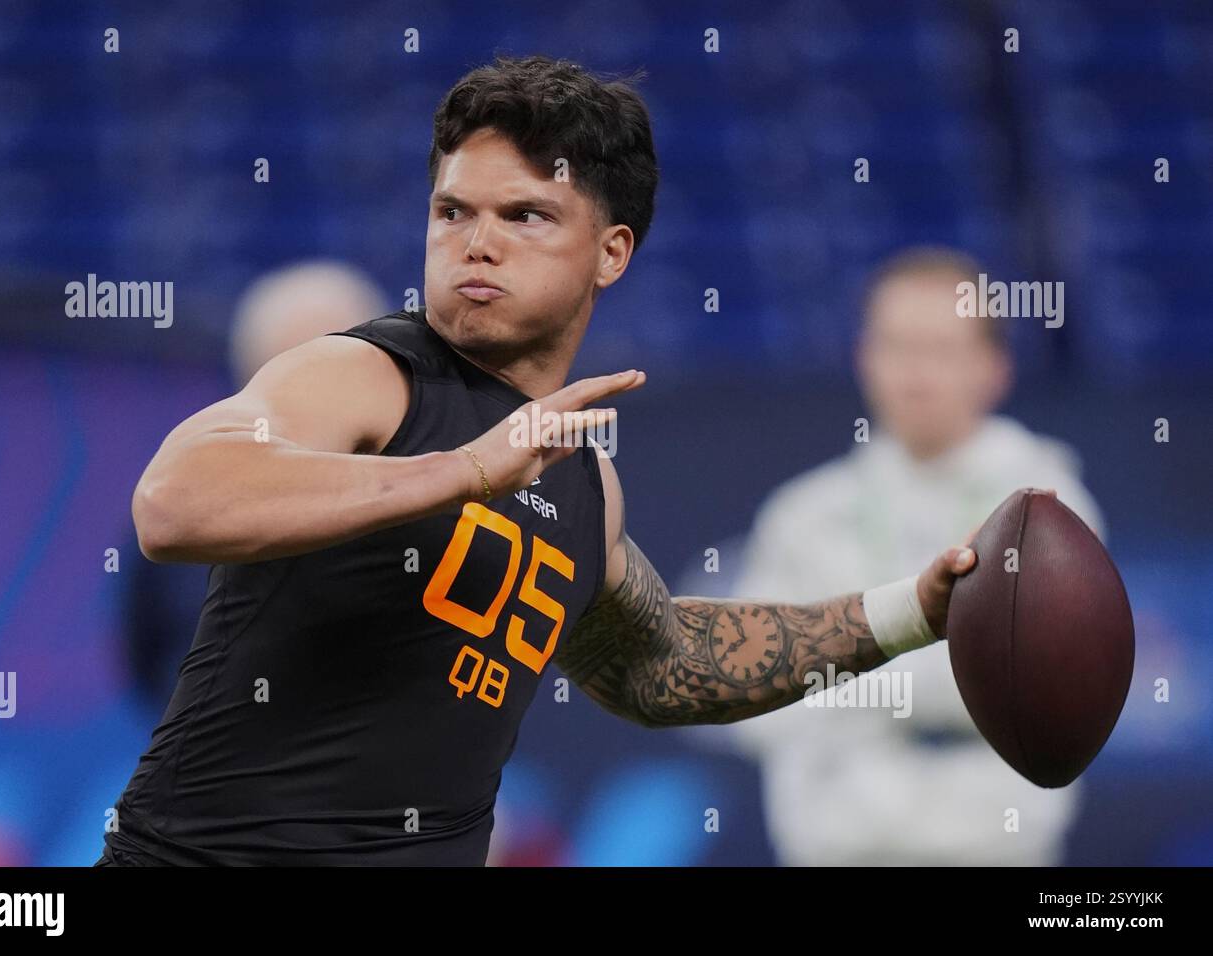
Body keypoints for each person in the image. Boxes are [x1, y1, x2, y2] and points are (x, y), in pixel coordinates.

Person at [98, 56, 994, 866]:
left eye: (525, 215)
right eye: (453, 212)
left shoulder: (577, 479)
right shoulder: (365, 373)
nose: (476, 243)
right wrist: (460, 473)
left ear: (612, 252)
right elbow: (174, 502)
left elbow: (665, 664)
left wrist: (909, 612)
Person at [717, 247, 1105, 865]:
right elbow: (744, 694)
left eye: (941, 349)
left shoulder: (1051, 510)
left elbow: (1052, 689)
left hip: (995, 849)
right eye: (897, 345)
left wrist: (847, 674)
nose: (915, 372)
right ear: (864, 357)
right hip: (841, 848)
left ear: (994, 366)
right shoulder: (803, 514)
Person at [121, 261, 386, 713]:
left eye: (339, 373)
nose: (318, 403)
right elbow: (147, 662)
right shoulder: (181, 515)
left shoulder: (449, 508)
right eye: (290, 377)